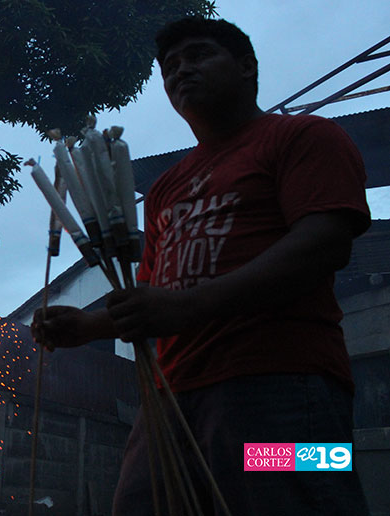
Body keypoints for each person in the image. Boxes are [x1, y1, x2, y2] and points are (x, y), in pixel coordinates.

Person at [32, 18, 370, 516]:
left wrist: (187, 306)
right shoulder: (167, 186)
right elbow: (152, 295)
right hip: (171, 402)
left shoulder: (304, 136)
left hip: (285, 392)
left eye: (198, 56)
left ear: (247, 67)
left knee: (300, 499)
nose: (180, 72)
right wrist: (88, 325)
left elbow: (324, 243)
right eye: (170, 67)